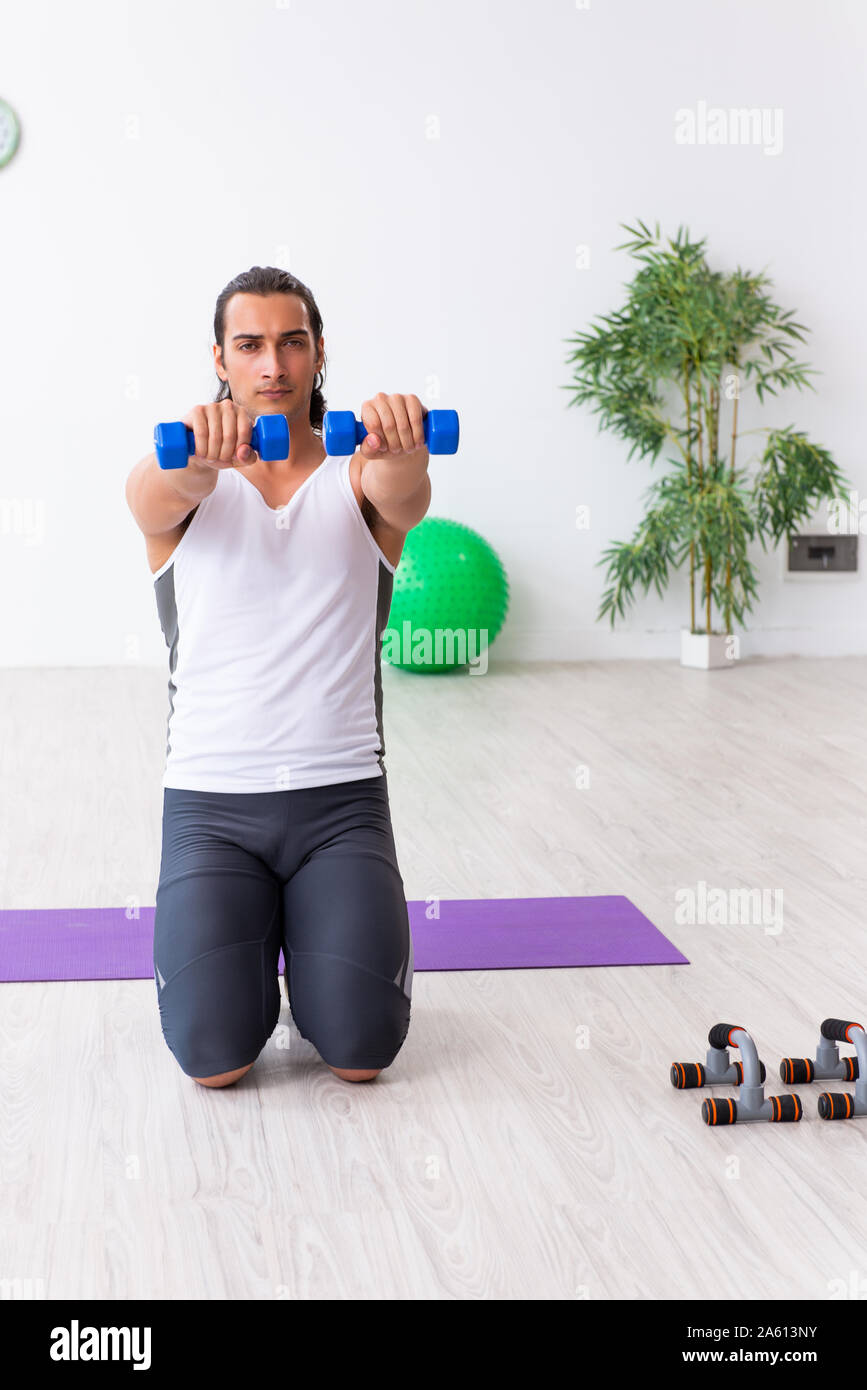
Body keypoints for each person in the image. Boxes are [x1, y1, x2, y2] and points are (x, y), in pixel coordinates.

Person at [125, 266, 432, 1088]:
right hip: (210, 810)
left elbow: (402, 496)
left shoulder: (355, 472)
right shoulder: (186, 478)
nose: (273, 365)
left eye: (291, 342)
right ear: (220, 359)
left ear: (318, 353)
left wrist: (400, 447)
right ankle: (254, 966)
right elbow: (156, 495)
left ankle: (320, 964)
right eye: (251, 345)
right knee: (214, 1063)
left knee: (362, 1054)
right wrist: (198, 459)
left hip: (340, 805)